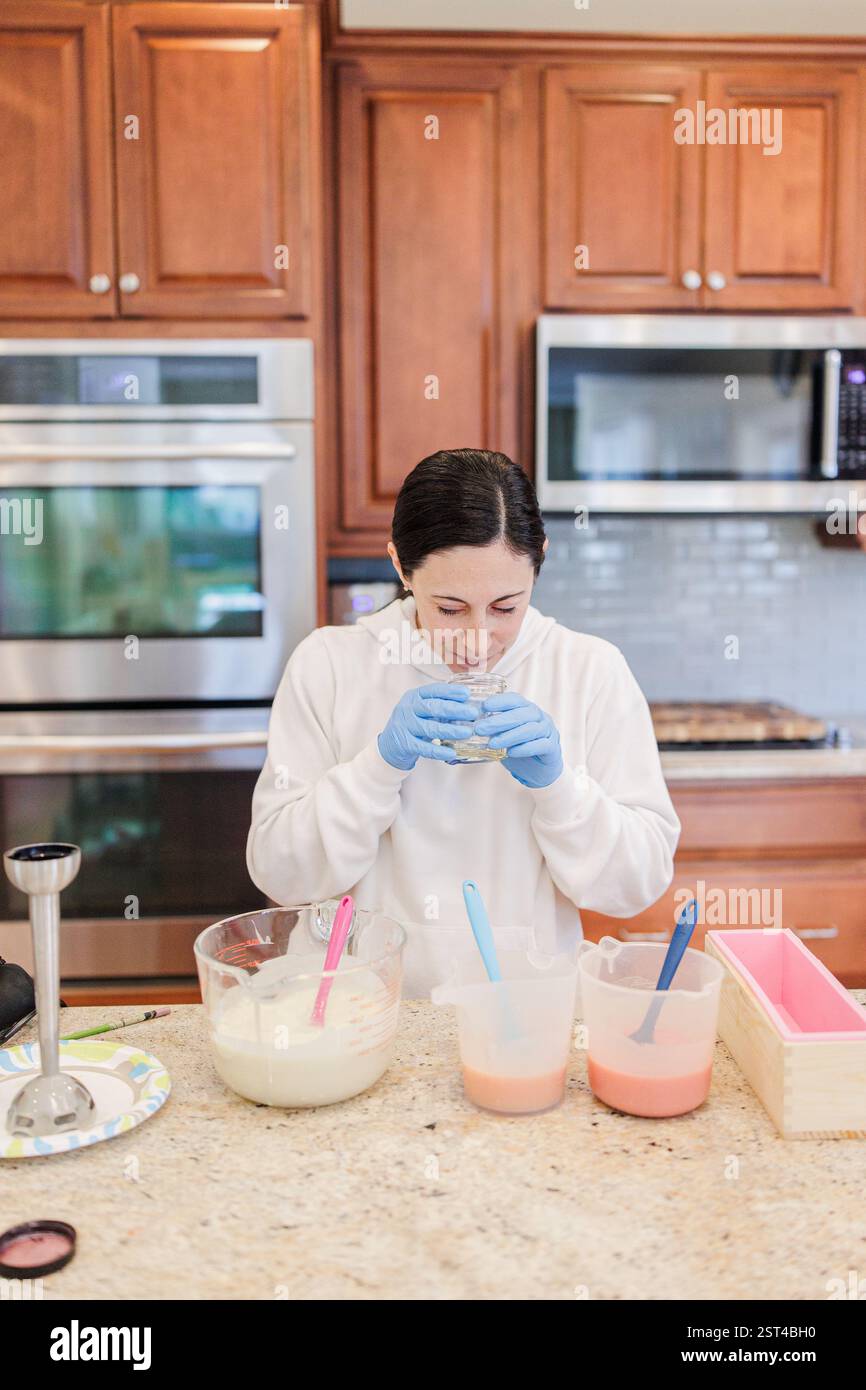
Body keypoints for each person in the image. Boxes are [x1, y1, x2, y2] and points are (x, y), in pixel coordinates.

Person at [247, 448, 680, 996]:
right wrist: (378, 767)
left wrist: (559, 788)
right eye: (449, 609)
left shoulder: (589, 670)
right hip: (361, 1008)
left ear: (539, 559)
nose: (477, 637)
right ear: (401, 567)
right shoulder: (330, 664)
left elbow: (634, 886)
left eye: (505, 607)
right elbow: (282, 875)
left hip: (526, 1010)